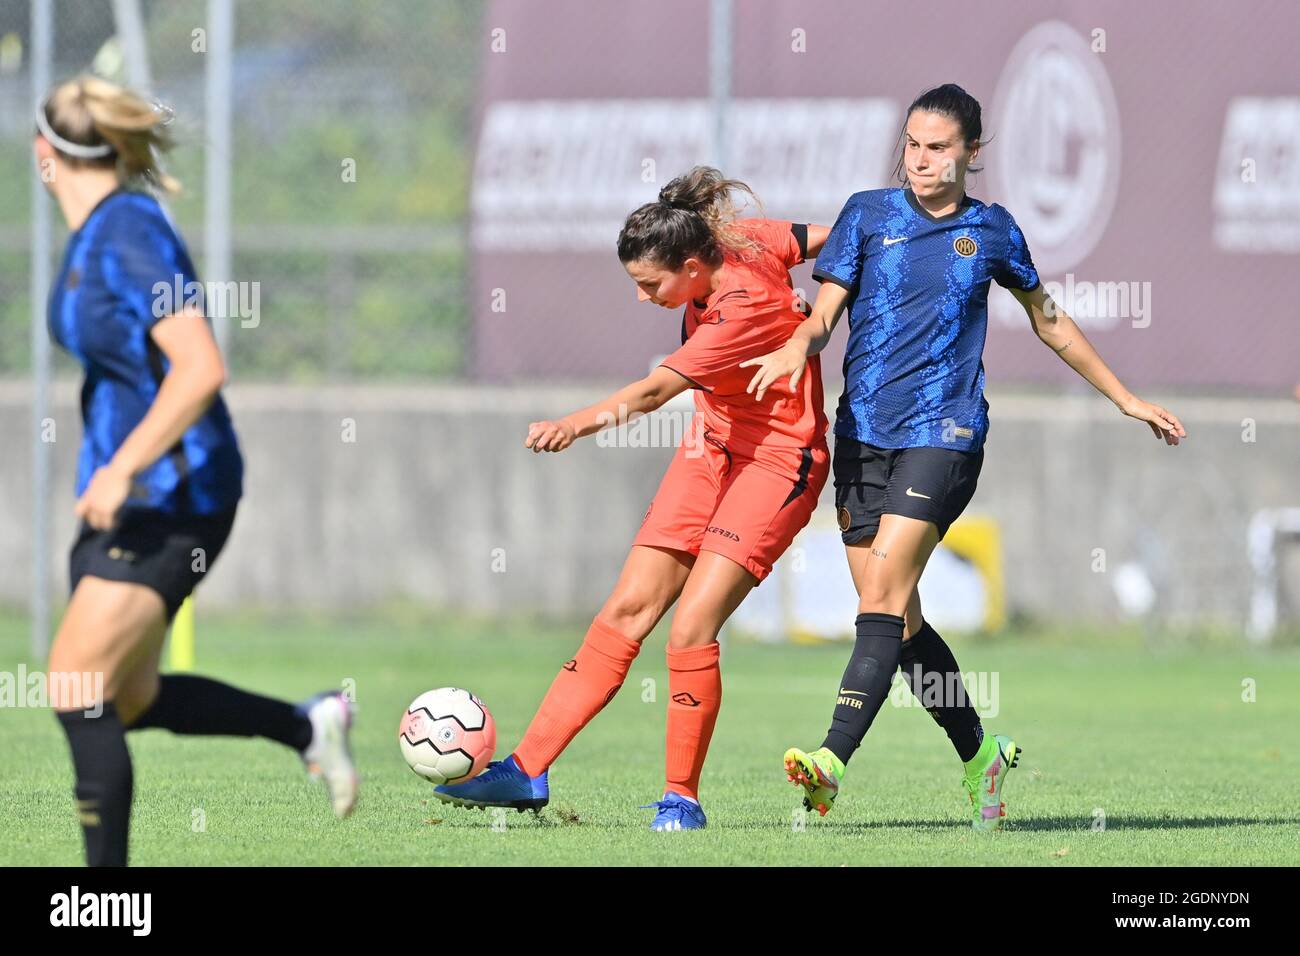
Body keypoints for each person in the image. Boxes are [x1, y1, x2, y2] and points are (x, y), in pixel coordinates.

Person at [742, 84, 1185, 829]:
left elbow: (1050, 320)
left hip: (943, 437)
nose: (921, 159)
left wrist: (1125, 398)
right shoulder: (867, 215)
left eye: (939, 146)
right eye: (913, 144)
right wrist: (798, 342)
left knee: (879, 598)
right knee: (901, 620)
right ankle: (982, 757)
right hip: (862, 438)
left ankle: (830, 762)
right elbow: (823, 315)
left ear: (972, 153)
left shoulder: (993, 230)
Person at [434, 167, 832, 830]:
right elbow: (835, 235)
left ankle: (682, 799)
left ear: (694, 266)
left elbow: (652, 394)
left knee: (690, 628)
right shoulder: (746, 238)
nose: (645, 299)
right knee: (626, 608)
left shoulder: (742, 306)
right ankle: (527, 770)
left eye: (651, 285)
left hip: (778, 461)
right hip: (711, 448)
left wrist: (574, 423)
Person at [38, 75, 357, 866]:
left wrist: (123, 469)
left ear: (43, 154)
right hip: (127, 494)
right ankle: (304, 725)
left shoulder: (130, 230)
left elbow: (200, 366)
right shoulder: (94, 237)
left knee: (76, 684)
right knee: (129, 699)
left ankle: (104, 905)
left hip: (175, 491)